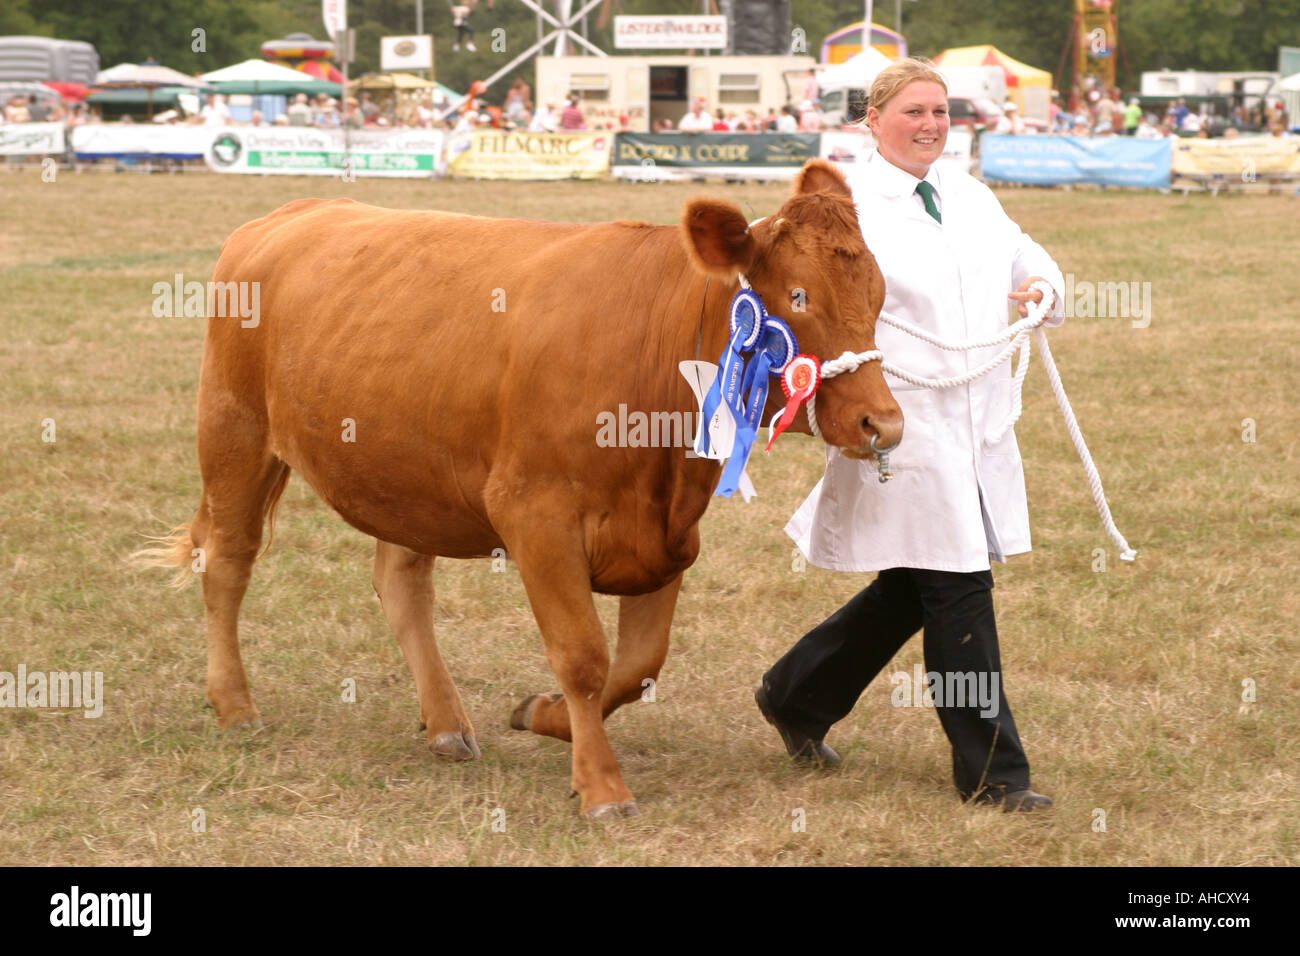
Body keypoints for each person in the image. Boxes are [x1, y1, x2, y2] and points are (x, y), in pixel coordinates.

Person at [756, 58, 1063, 813]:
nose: (930, 125)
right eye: (913, 112)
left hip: (978, 416)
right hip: (900, 420)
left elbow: (1028, 255)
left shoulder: (968, 192)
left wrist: (1042, 287)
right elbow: (791, 292)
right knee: (959, 585)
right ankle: (995, 774)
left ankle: (795, 693)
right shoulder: (843, 205)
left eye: (940, 111)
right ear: (873, 120)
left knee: (915, 582)